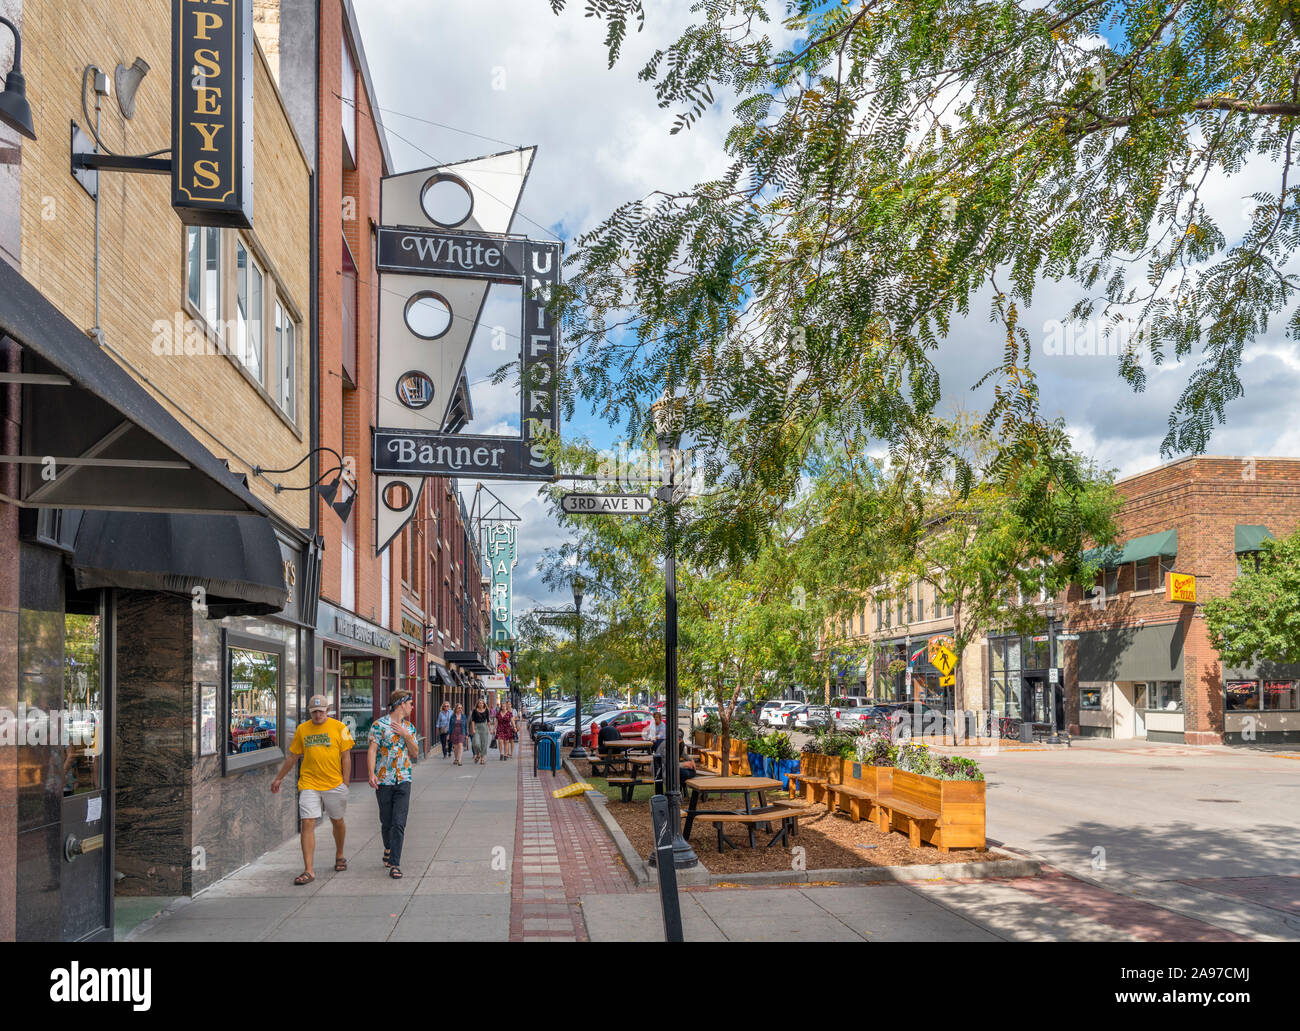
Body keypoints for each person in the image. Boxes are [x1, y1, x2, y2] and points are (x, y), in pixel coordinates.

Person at [271, 695, 354, 886]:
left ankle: (340, 854)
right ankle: (309, 870)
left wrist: (346, 782)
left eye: (321, 711)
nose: (318, 715)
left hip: (334, 783)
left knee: (337, 821)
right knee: (307, 822)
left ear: (328, 710)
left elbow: (346, 756)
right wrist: (279, 778)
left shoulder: (340, 728)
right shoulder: (302, 729)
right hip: (309, 783)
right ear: (310, 712)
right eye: (314, 712)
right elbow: (293, 757)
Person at [368, 689, 417, 879]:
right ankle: (388, 848)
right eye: (410, 703)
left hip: (404, 779)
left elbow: (414, 752)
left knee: (399, 823)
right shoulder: (378, 725)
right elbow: (372, 750)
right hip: (384, 780)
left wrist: (406, 735)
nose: (412, 707)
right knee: (386, 822)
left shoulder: (409, 728)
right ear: (401, 704)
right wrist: (371, 773)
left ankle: (395, 864)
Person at [470, 697, 492, 764]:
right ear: (477, 704)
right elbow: (473, 720)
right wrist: (473, 729)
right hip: (476, 726)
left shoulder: (486, 710)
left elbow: (488, 720)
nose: (481, 704)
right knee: (476, 743)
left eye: (482, 703)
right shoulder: (474, 711)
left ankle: (482, 757)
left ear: (484, 704)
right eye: (480, 703)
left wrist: (490, 729)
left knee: (484, 743)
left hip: (484, 727)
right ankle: (478, 754)